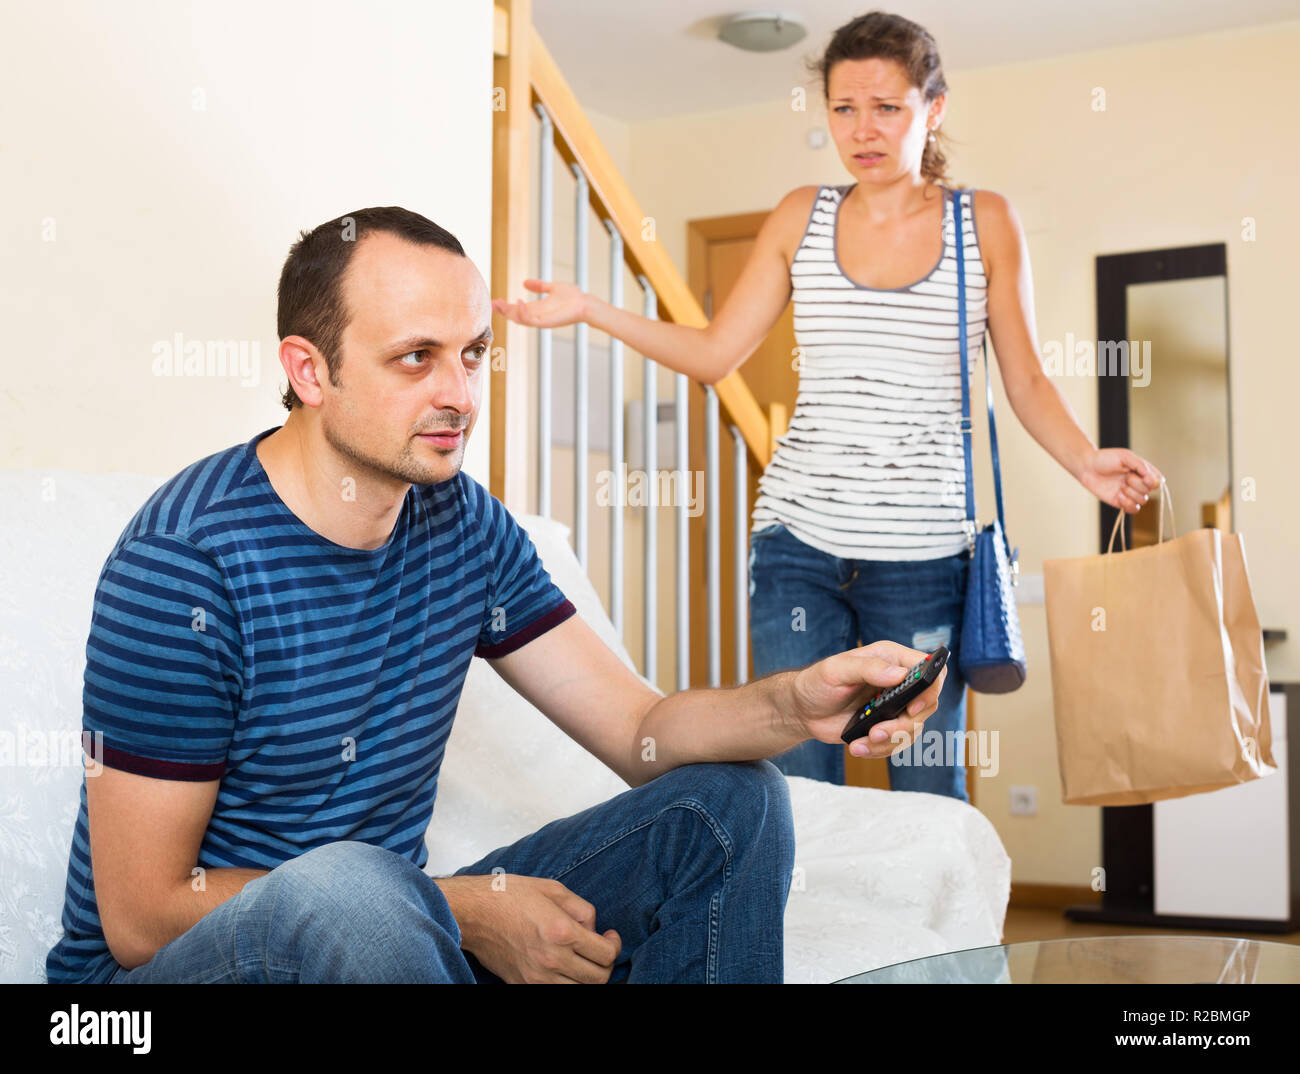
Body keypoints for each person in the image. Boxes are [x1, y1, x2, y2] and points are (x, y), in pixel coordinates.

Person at [45, 206, 948, 985]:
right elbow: (142, 917)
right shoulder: (186, 561)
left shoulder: (461, 523)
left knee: (729, 804)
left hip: (392, 937)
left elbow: (644, 732)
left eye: (473, 354)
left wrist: (795, 702)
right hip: (172, 974)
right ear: (311, 371)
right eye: (416, 359)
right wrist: (465, 911)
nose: (460, 395)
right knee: (346, 887)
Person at [493, 11, 1163, 797]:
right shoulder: (800, 216)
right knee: (797, 785)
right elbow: (713, 354)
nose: (863, 129)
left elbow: (1026, 380)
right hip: (797, 548)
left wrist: (1086, 461)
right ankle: (800, 924)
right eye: (844, 108)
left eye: (888, 107)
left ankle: (943, 930)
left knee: (926, 782)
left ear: (933, 109)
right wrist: (589, 309)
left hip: (923, 556)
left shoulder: (980, 223)